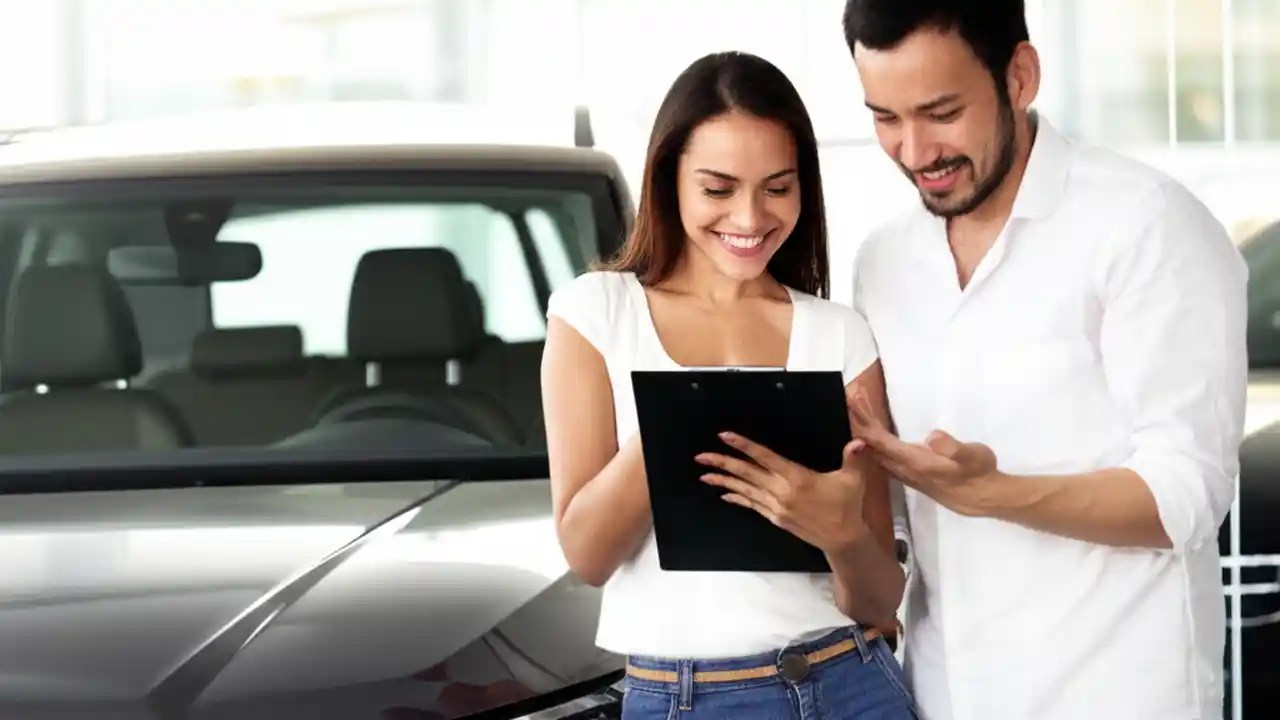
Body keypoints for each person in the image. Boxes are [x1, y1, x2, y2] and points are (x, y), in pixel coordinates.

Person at [839, 1, 1249, 719]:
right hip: (944, 695)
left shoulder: (1145, 223)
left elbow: (1186, 494)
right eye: (885, 118)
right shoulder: (883, 261)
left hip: (1119, 694)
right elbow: (899, 521)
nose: (914, 150)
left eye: (941, 112)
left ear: (1020, 76)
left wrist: (993, 492)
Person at [540, 51, 918, 719]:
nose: (750, 218)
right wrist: (678, 415)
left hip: (848, 681)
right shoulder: (597, 313)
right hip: (687, 698)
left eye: (777, 187)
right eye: (718, 189)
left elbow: (880, 601)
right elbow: (589, 557)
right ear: (669, 181)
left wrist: (841, 534)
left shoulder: (839, 335)